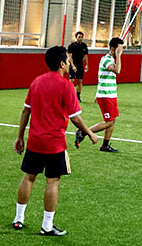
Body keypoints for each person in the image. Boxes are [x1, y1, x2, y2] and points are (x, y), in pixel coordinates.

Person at [12, 46, 98, 236]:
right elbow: (75, 118)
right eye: (67, 60)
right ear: (61, 64)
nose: (69, 63)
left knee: (28, 177)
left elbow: (26, 110)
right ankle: (47, 226)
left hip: (35, 141)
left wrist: (20, 137)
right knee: (53, 182)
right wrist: (90, 133)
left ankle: (18, 219)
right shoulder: (66, 85)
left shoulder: (37, 82)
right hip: (54, 143)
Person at [76, 38, 124, 152]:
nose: (122, 50)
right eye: (120, 48)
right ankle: (83, 132)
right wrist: (119, 56)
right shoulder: (107, 59)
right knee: (109, 122)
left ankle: (105, 146)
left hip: (110, 95)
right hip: (106, 96)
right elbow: (117, 70)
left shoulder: (112, 59)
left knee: (112, 120)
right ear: (113, 48)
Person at [67, 32, 88, 102]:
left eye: (81, 37)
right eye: (79, 37)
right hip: (73, 64)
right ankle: (70, 95)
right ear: (76, 37)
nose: (80, 38)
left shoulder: (84, 46)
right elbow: (69, 57)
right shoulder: (71, 46)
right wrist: (73, 66)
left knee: (80, 81)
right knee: (71, 80)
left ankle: (78, 96)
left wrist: (87, 65)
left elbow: (85, 56)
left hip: (80, 65)